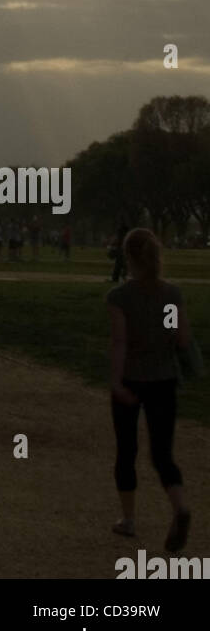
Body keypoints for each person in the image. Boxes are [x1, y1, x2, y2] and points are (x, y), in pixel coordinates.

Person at [107, 228, 191, 551]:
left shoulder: (120, 297)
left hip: (131, 378)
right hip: (164, 379)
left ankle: (128, 520)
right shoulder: (171, 294)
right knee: (162, 453)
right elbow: (179, 339)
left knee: (126, 449)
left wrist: (116, 382)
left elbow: (120, 343)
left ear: (127, 257)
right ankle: (180, 506)